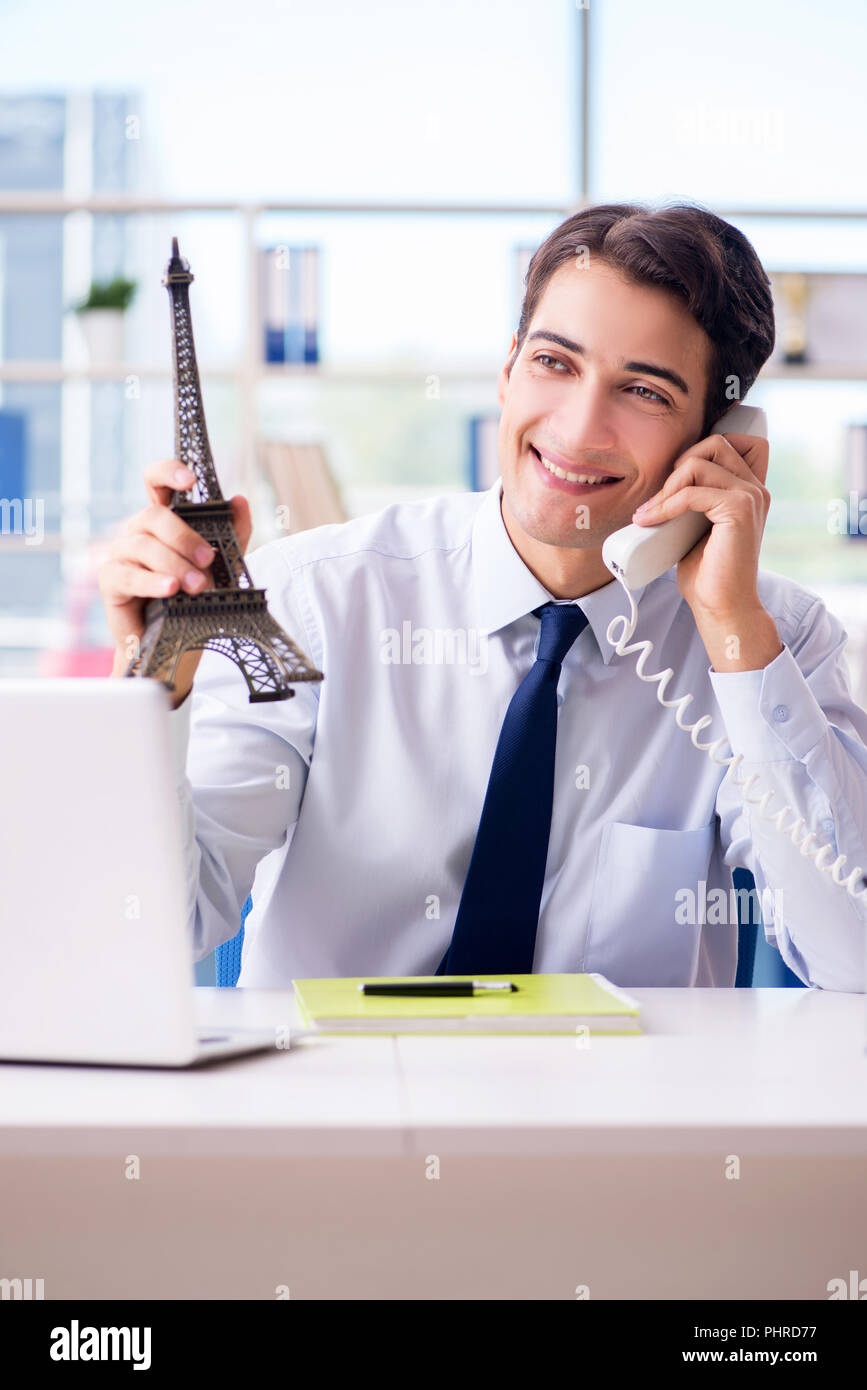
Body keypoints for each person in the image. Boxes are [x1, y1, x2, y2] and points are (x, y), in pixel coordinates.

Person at [98, 201, 867, 990]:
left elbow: (853, 957)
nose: (577, 428)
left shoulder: (773, 639)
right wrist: (153, 681)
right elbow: (157, 923)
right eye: (554, 363)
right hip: (337, 1100)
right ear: (506, 371)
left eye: (643, 391)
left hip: (616, 1108)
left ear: (719, 436)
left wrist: (731, 631)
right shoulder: (317, 599)